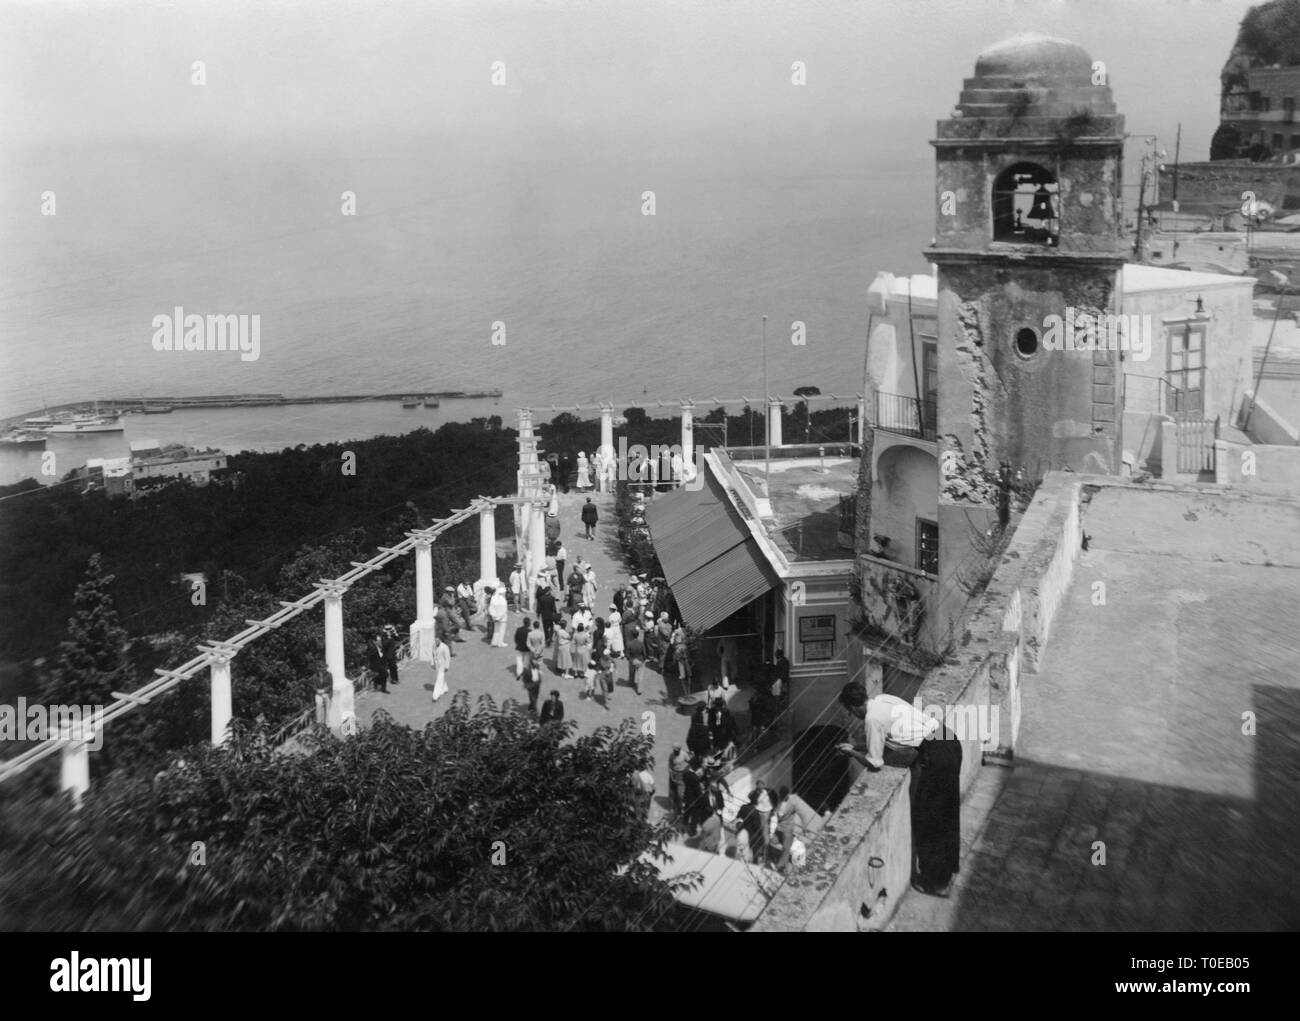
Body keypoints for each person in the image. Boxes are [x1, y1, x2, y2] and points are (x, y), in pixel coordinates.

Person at [835, 681, 962, 897]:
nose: (851, 715)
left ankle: (937, 882)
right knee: (947, 812)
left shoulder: (871, 719)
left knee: (929, 818)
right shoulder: (883, 700)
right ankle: (948, 871)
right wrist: (857, 747)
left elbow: (875, 762)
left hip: (935, 755)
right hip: (947, 740)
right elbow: (885, 739)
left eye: (849, 712)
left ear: (853, 708)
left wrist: (852, 754)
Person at [773, 786, 821, 872]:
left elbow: (802, 814)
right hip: (779, 828)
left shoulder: (793, 802)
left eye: (784, 795)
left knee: (786, 849)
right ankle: (778, 862)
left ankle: (779, 866)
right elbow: (776, 811)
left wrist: (804, 826)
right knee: (773, 841)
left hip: (787, 829)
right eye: (781, 795)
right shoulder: (778, 800)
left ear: (787, 794)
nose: (782, 796)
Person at [668, 744, 690, 819]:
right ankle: (672, 807)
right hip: (673, 774)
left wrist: (686, 770)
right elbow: (670, 763)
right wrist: (670, 771)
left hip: (681, 775)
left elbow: (689, 762)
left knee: (680, 794)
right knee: (672, 792)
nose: (675, 752)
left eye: (676, 750)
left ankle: (680, 809)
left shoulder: (684, 754)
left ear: (679, 750)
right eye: (674, 750)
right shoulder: (672, 755)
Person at [625, 627, 645, 695]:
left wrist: (630, 659)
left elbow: (627, 654)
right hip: (640, 660)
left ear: (632, 635)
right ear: (638, 635)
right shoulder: (641, 643)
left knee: (631, 673)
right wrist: (643, 659)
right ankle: (639, 690)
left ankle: (631, 683)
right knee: (640, 676)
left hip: (632, 660)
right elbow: (644, 653)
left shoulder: (629, 644)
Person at [572, 622, 592, 689]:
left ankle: (575, 673)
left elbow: (573, 642)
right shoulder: (585, 635)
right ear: (583, 628)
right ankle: (583, 673)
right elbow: (589, 641)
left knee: (576, 661)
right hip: (584, 649)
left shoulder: (575, 634)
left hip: (577, 649)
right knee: (584, 661)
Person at [431, 637, 450, 702]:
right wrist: (432, 663)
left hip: (442, 666)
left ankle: (435, 696)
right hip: (437, 666)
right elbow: (432, 655)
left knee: (438, 681)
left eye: (437, 640)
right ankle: (445, 688)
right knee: (440, 678)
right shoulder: (433, 645)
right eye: (435, 640)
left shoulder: (445, 647)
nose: (436, 641)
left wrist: (447, 666)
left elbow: (447, 657)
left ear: (440, 640)